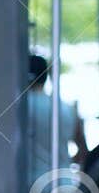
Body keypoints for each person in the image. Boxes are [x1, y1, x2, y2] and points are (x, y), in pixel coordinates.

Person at [27, 52, 87, 180]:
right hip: (63, 184)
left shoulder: (18, 110)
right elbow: (83, 152)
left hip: (28, 184)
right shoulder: (68, 108)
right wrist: (64, 161)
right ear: (45, 76)